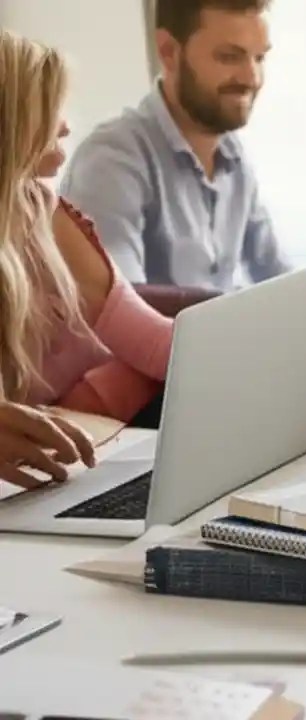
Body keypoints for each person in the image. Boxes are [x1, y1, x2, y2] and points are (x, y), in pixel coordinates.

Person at [0, 30, 174, 489]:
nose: (65, 126)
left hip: (70, 462)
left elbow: (154, 346)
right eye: (49, 106)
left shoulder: (42, 211)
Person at [59, 0, 288, 292]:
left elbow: (280, 277)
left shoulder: (233, 156)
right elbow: (118, 310)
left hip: (226, 337)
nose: (252, 78)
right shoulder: (111, 159)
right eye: (230, 57)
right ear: (169, 51)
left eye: (259, 58)